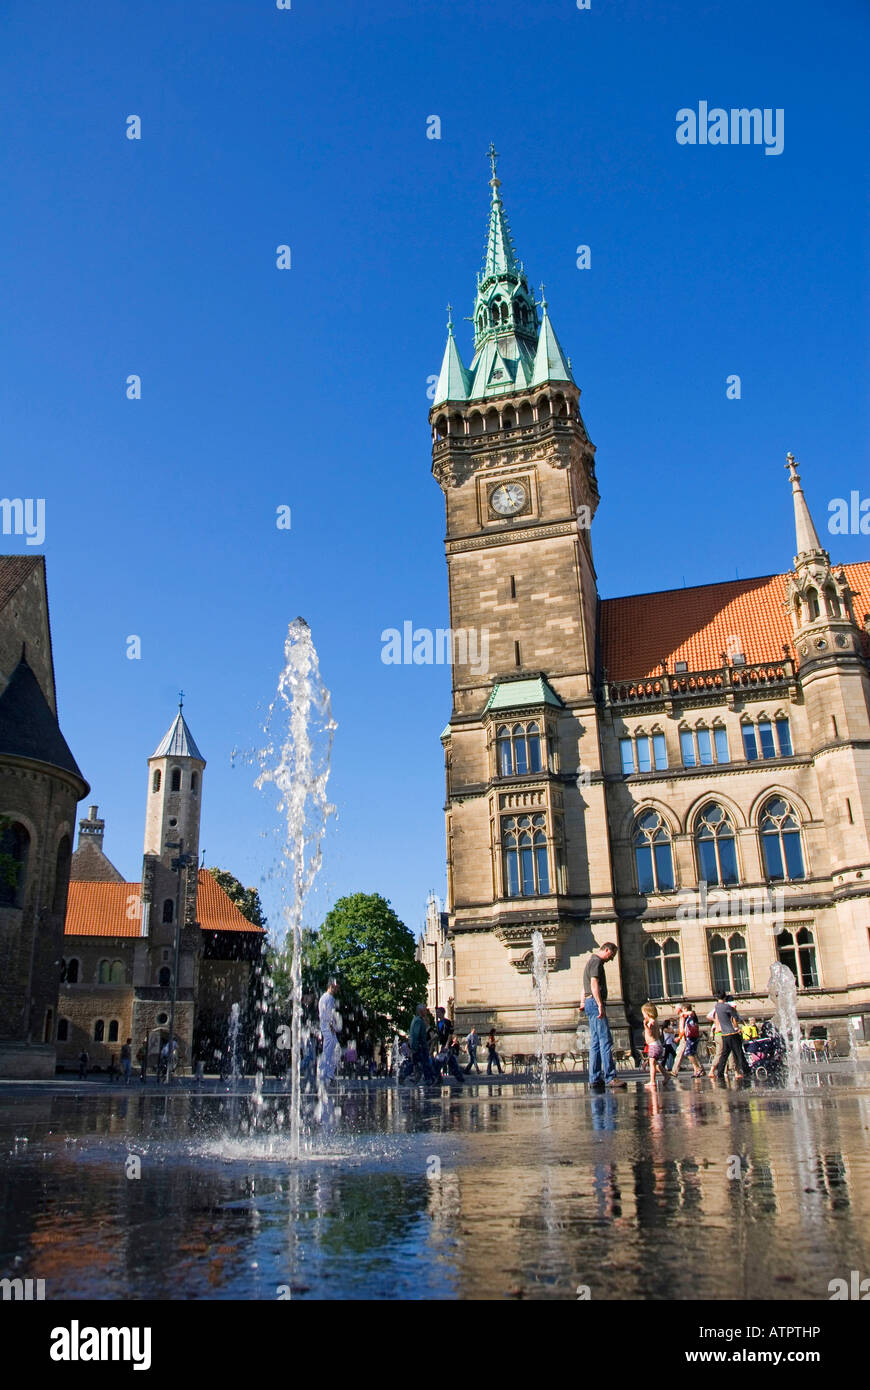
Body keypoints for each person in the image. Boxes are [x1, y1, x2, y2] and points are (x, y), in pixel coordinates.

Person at [580, 942, 627, 1091]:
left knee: (595, 1042)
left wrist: (583, 1002)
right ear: (606, 950)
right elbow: (593, 983)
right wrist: (600, 1004)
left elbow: (584, 986)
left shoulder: (590, 961)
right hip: (594, 1002)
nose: (611, 959)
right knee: (605, 1040)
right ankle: (610, 1077)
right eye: (611, 955)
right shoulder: (596, 962)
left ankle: (594, 1078)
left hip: (589, 1002)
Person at [711, 992, 748, 1081]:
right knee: (739, 1053)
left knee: (724, 1055)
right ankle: (746, 1071)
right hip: (732, 1033)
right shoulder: (727, 1007)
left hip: (724, 1035)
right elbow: (736, 1017)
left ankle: (720, 1073)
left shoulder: (717, 1006)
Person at [671, 1004, 705, 1078]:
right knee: (691, 1053)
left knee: (687, 1053)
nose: (675, 1010)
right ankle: (699, 1069)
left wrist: (679, 1037)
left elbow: (684, 1028)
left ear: (684, 1009)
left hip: (687, 1037)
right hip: (687, 1037)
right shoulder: (684, 1017)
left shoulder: (688, 1015)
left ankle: (675, 1071)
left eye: (676, 1008)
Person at [641, 1004, 669, 1088]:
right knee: (655, 1063)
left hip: (653, 1045)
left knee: (652, 1063)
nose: (643, 1016)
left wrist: (645, 1025)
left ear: (648, 1013)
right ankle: (666, 1075)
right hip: (656, 1044)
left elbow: (650, 1033)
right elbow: (659, 1034)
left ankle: (652, 1081)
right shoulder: (655, 1021)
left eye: (644, 1014)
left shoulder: (651, 1022)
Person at [318, 980, 340, 1083]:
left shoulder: (326, 997)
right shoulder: (328, 998)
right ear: (331, 986)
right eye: (336, 988)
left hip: (327, 1025)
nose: (337, 990)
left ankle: (328, 1073)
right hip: (327, 1026)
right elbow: (326, 1013)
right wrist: (331, 1025)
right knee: (329, 1049)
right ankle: (324, 1073)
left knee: (335, 1048)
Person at [409, 1004, 435, 1083]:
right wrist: (415, 1047)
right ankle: (429, 1080)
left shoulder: (417, 1020)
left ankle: (428, 1079)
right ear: (420, 1011)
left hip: (420, 1047)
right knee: (423, 1064)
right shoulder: (418, 1021)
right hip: (420, 1047)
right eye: (425, 1010)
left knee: (420, 1064)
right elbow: (416, 1035)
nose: (426, 1012)